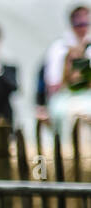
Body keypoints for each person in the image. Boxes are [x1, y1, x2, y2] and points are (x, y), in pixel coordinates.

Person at [45, 6, 91, 135]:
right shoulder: (59, 47)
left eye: (85, 23)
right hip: (65, 97)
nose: (83, 28)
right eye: (79, 24)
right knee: (65, 113)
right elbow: (53, 83)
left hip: (88, 96)